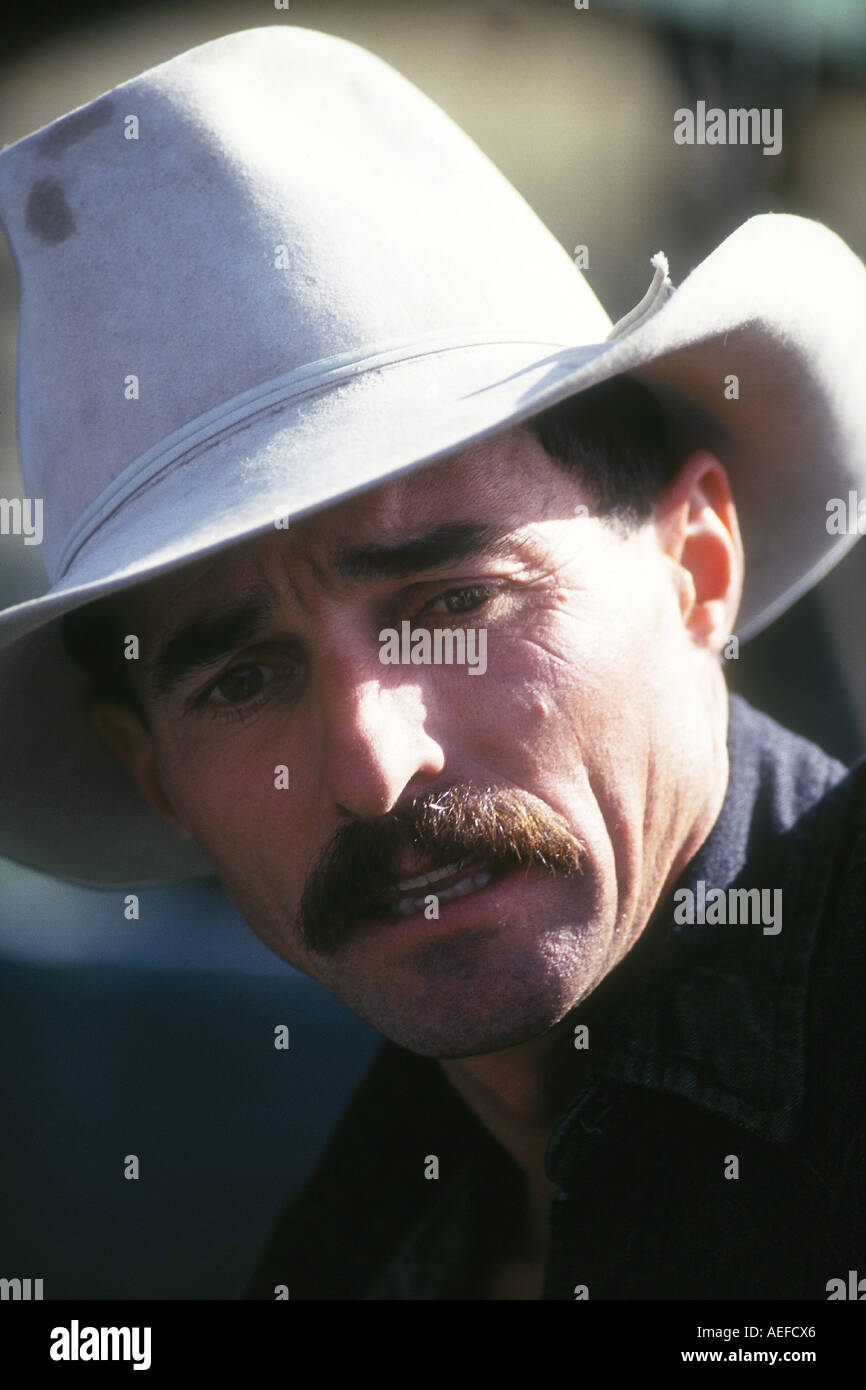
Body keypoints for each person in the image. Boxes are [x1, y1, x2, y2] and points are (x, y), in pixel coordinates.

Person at [0, 26, 864, 1301]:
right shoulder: (355, 1244)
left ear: (696, 565)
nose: (371, 765)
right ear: (158, 777)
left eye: (456, 601)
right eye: (240, 679)